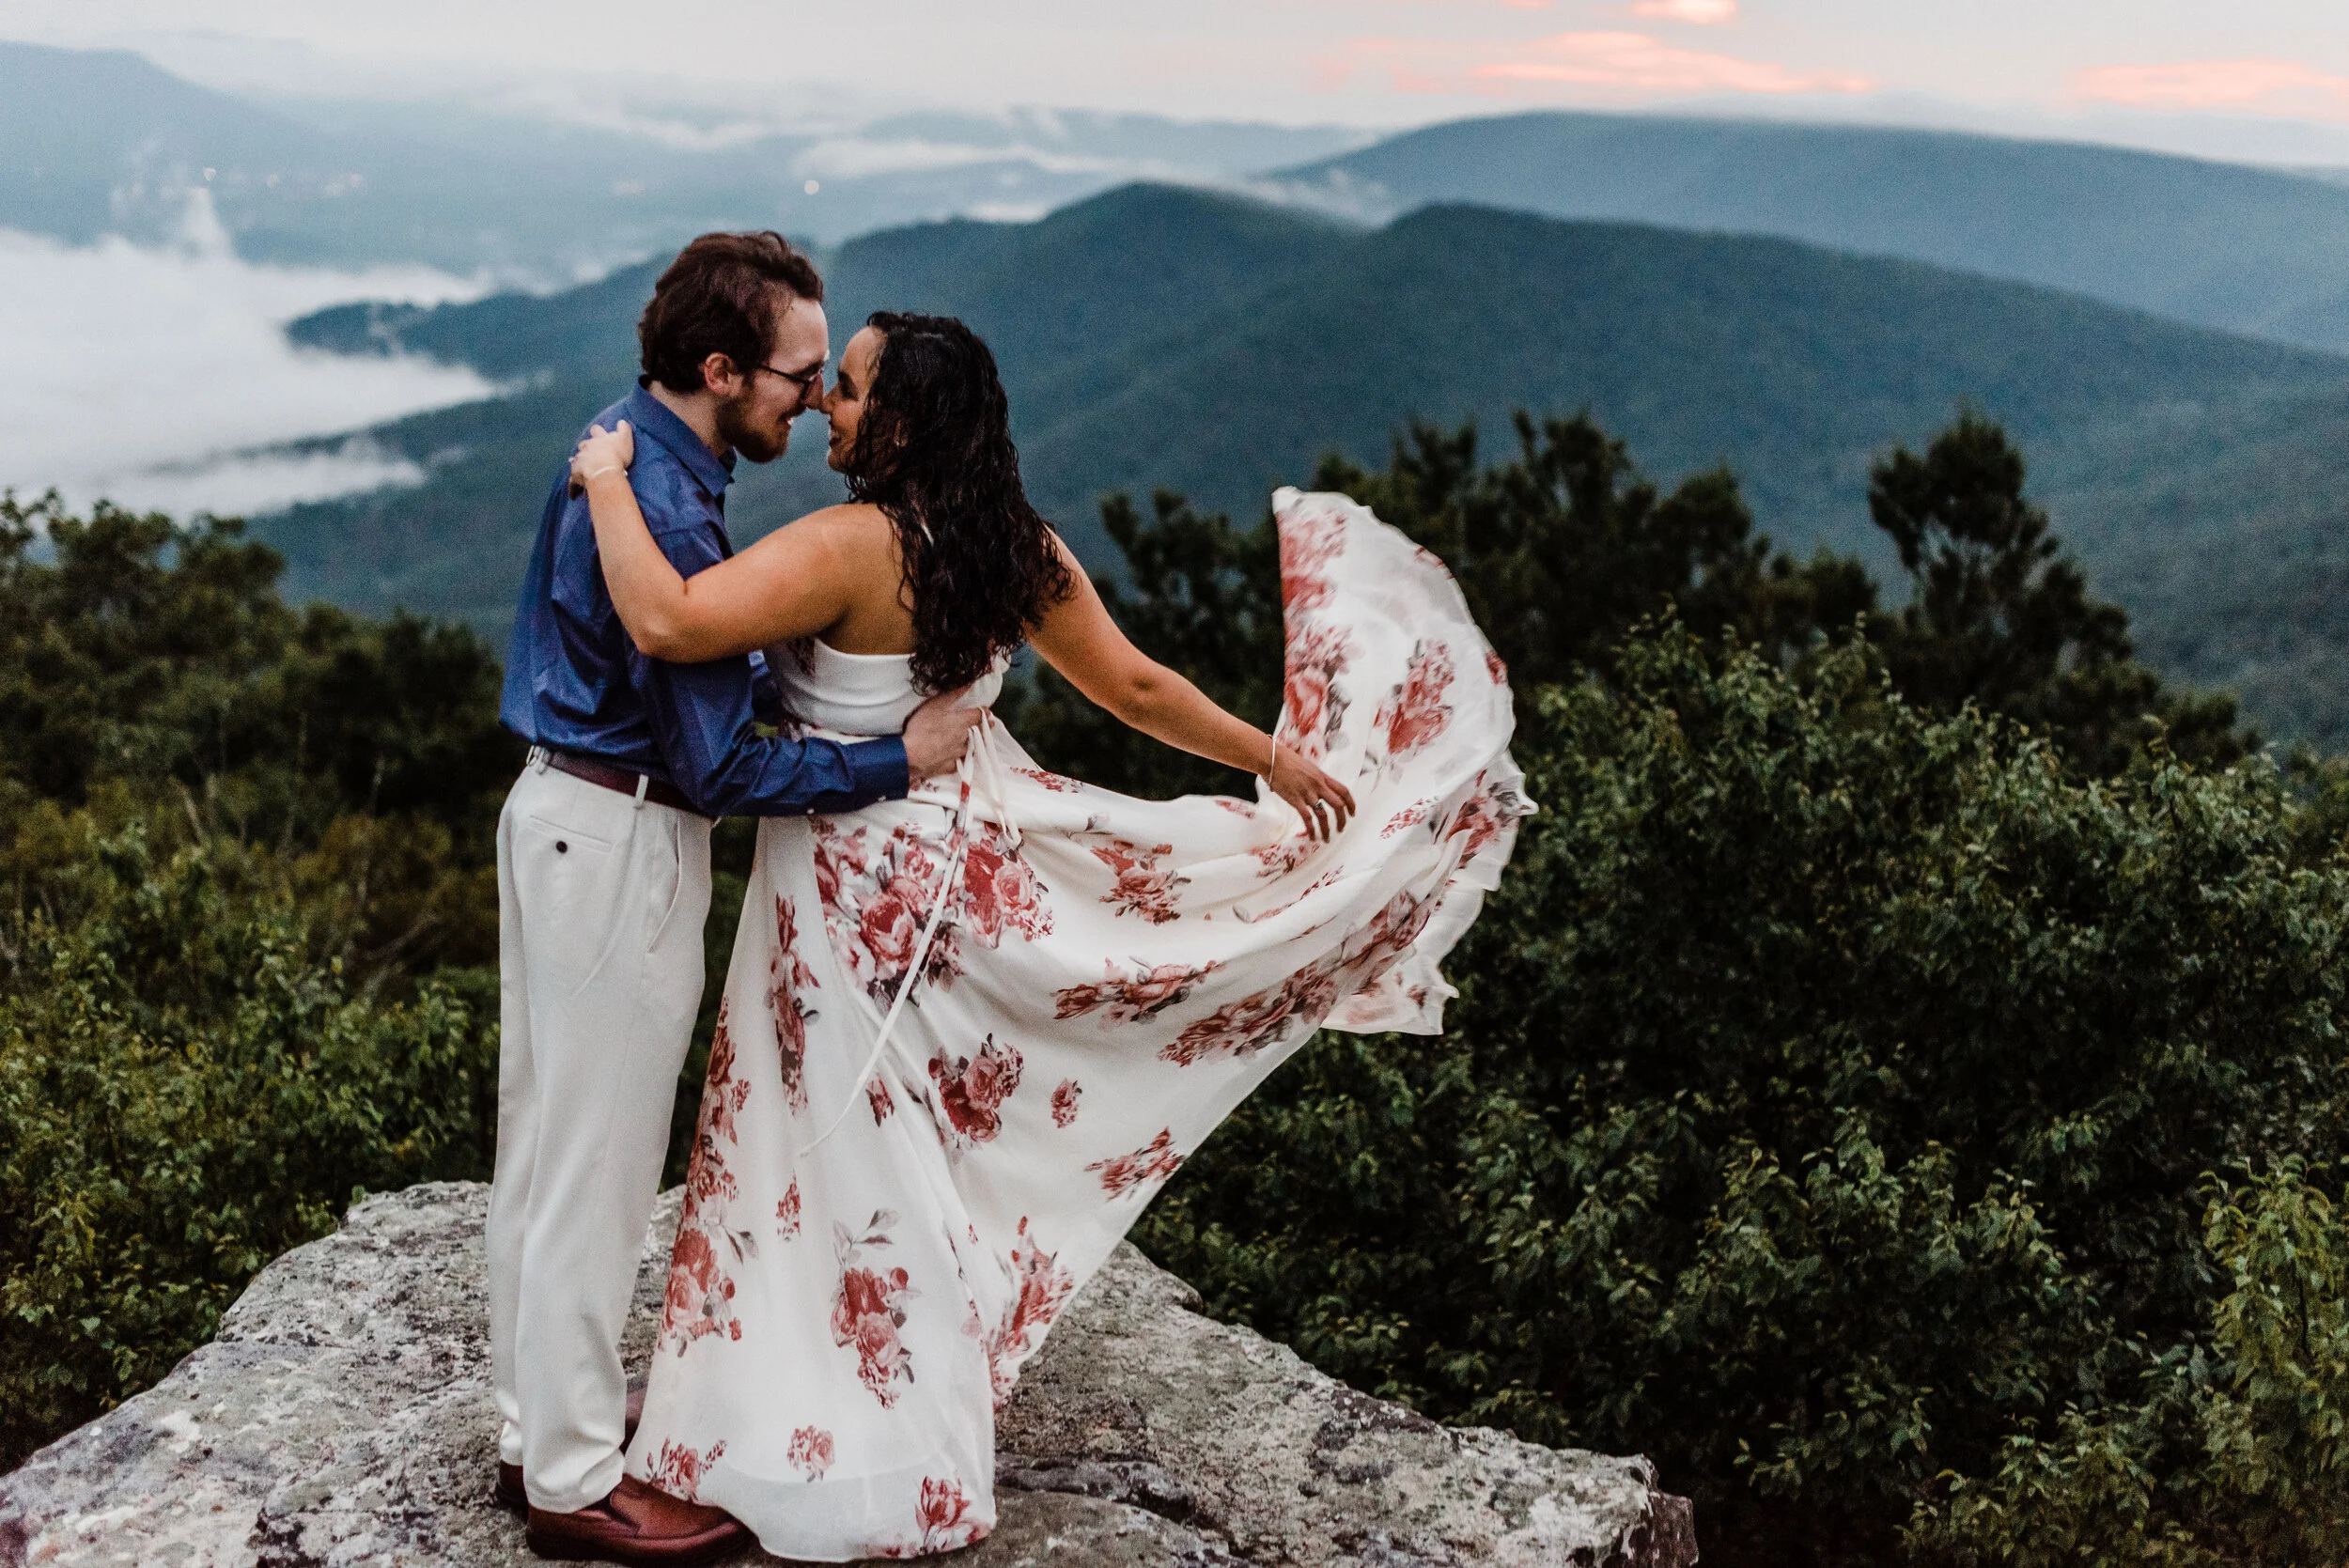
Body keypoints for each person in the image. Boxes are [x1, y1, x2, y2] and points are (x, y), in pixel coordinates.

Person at [570, 310, 1531, 1561]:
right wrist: (1272, 759)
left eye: (850, 393)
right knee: (879, 1142)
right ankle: (820, 1418)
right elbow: (1133, 688)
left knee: (816, 1142)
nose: (827, 412)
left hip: (845, 882)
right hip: (948, 874)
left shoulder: (849, 548)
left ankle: (812, 1444)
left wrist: (603, 486)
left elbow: (675, 623)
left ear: (903, 423)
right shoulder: (1011, 548)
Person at [491, 236, 983, 1567]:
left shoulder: (622, 444)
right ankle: (578, 1479)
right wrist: (894, 755)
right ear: (719, 370)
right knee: (596, 1163)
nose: (815, 402)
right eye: (798, 375)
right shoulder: (667, 503)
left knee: (544, 1138)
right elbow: (717, 761)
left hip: (550, 811)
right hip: (622, 834)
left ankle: (536, 1423)